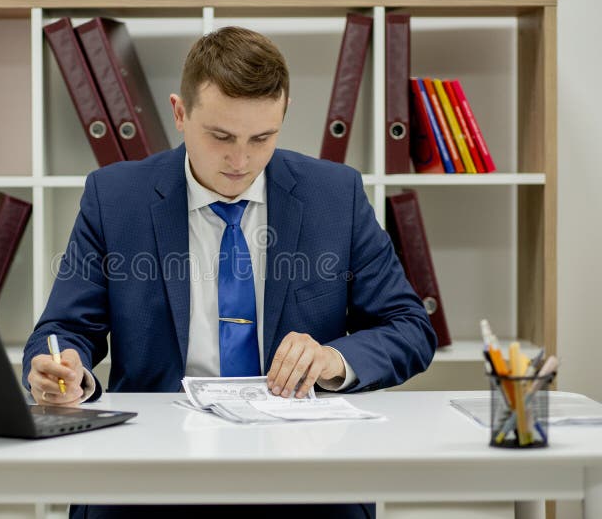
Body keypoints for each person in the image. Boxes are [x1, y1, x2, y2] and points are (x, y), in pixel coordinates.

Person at [23, 26, 437, 519]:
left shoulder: (335, 195)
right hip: (151, 467)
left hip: (303, 467)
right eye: (220, 136)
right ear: (180, 113)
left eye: (262, 138)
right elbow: (63, 329)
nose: (241, 161)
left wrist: (331, 358)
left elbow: (410, 328)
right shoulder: (114, 198)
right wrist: (63, 370)